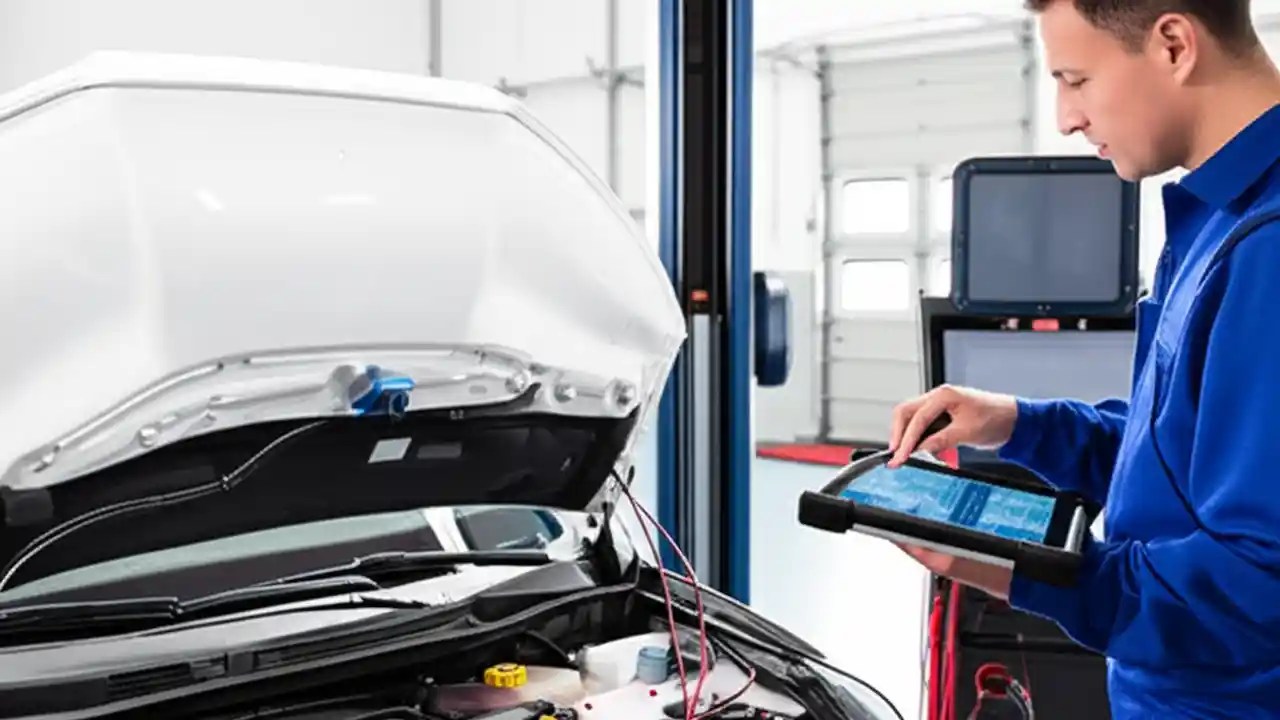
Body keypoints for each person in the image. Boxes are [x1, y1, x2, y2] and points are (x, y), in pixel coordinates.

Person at [887, 1, 1280, 717]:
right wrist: (1016, 423)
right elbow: (1179, 457)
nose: (1067, 117)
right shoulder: (1220, 213)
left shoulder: (1269, 248)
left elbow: (1257, 586)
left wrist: (1021, 571)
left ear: (1172, 45)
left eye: (1076, 79)